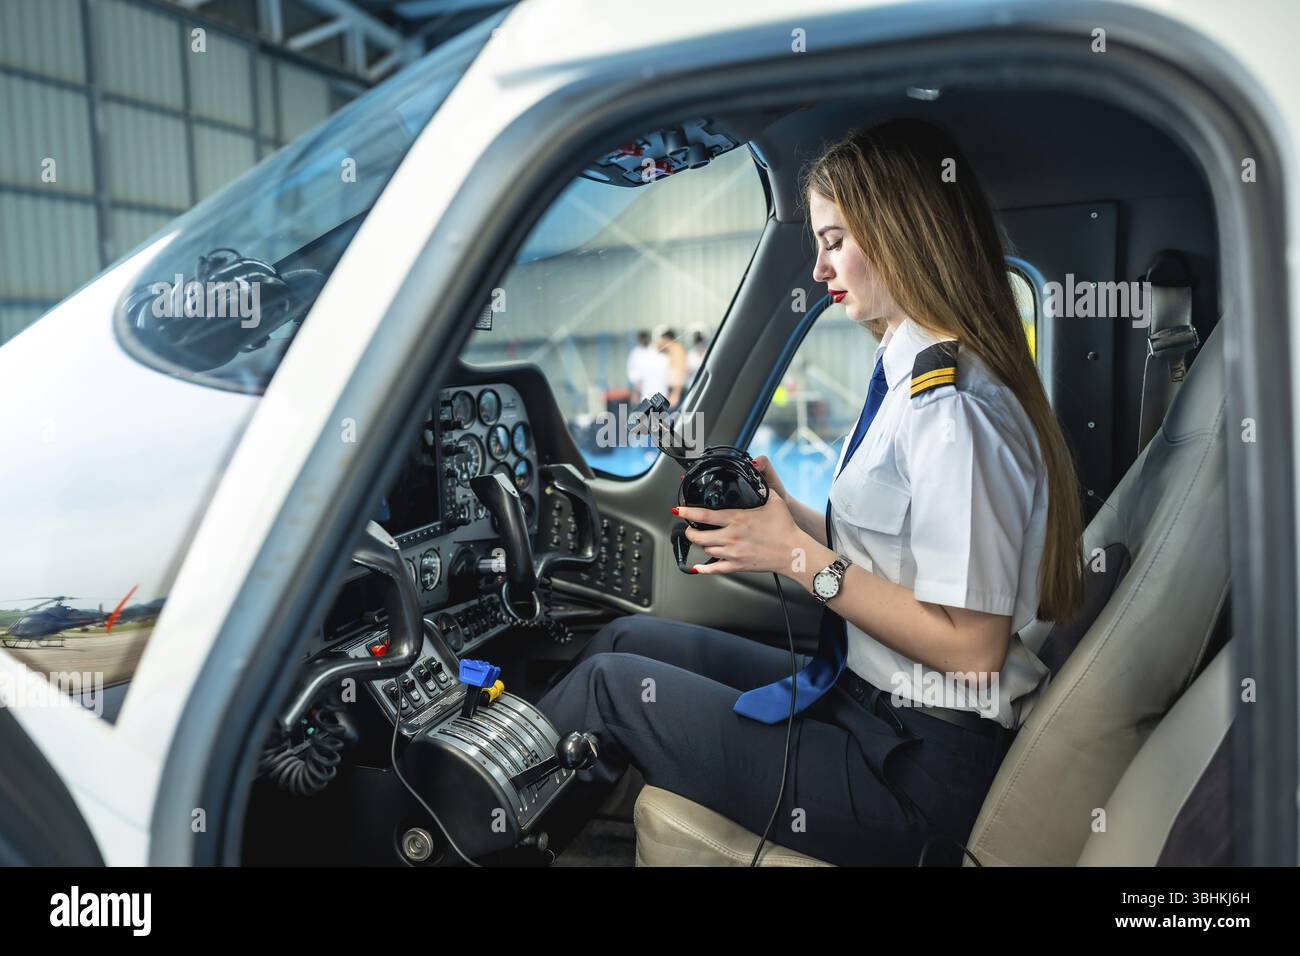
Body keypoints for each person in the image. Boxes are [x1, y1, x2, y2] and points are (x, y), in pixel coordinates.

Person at [537, 119, 1084, 866]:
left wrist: (797, 558)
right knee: (626, 639)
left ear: (898, 236)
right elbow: (897, 551)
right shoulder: (909, 379)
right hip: (869, 704)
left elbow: (974, 650)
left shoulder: (952, 411)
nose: (820, 265)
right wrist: (780, 516)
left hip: (912, 771)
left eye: (833, 240)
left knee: (608, 687)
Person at [657, 326, 687, 409]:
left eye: (662, 339)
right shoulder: (671, 351)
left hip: (676, 389)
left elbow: (679, 371)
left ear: (666, 339)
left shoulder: (676, 350)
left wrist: (675, 393)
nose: (660, 342)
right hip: (673, 389)